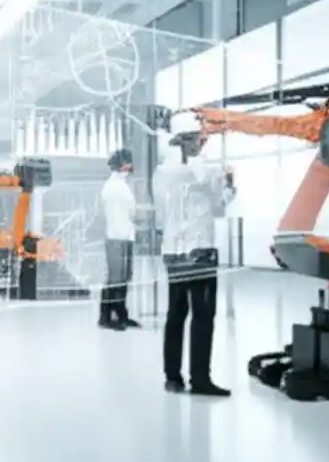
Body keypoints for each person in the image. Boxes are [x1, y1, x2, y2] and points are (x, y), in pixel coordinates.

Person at [152, 113, 235, 397]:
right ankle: (200, 379)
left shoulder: (161, 172)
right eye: (199, 137)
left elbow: (160, 215)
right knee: (203, 315)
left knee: (176, 314)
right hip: (200, 250)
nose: (203, 142)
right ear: (189, 140)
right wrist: (228, 188)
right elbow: (219, 208)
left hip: (173, 252)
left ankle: (172, 378)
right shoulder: (202, 170)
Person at [99, 148, 139, 331]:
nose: (130, 166)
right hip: (116, 235)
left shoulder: (120, 184)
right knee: (116, 278)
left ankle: (121, 314)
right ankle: (107, 316)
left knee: (123, 277)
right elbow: (130, 210)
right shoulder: (114, 186)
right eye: (127, 162)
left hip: (124, 234)